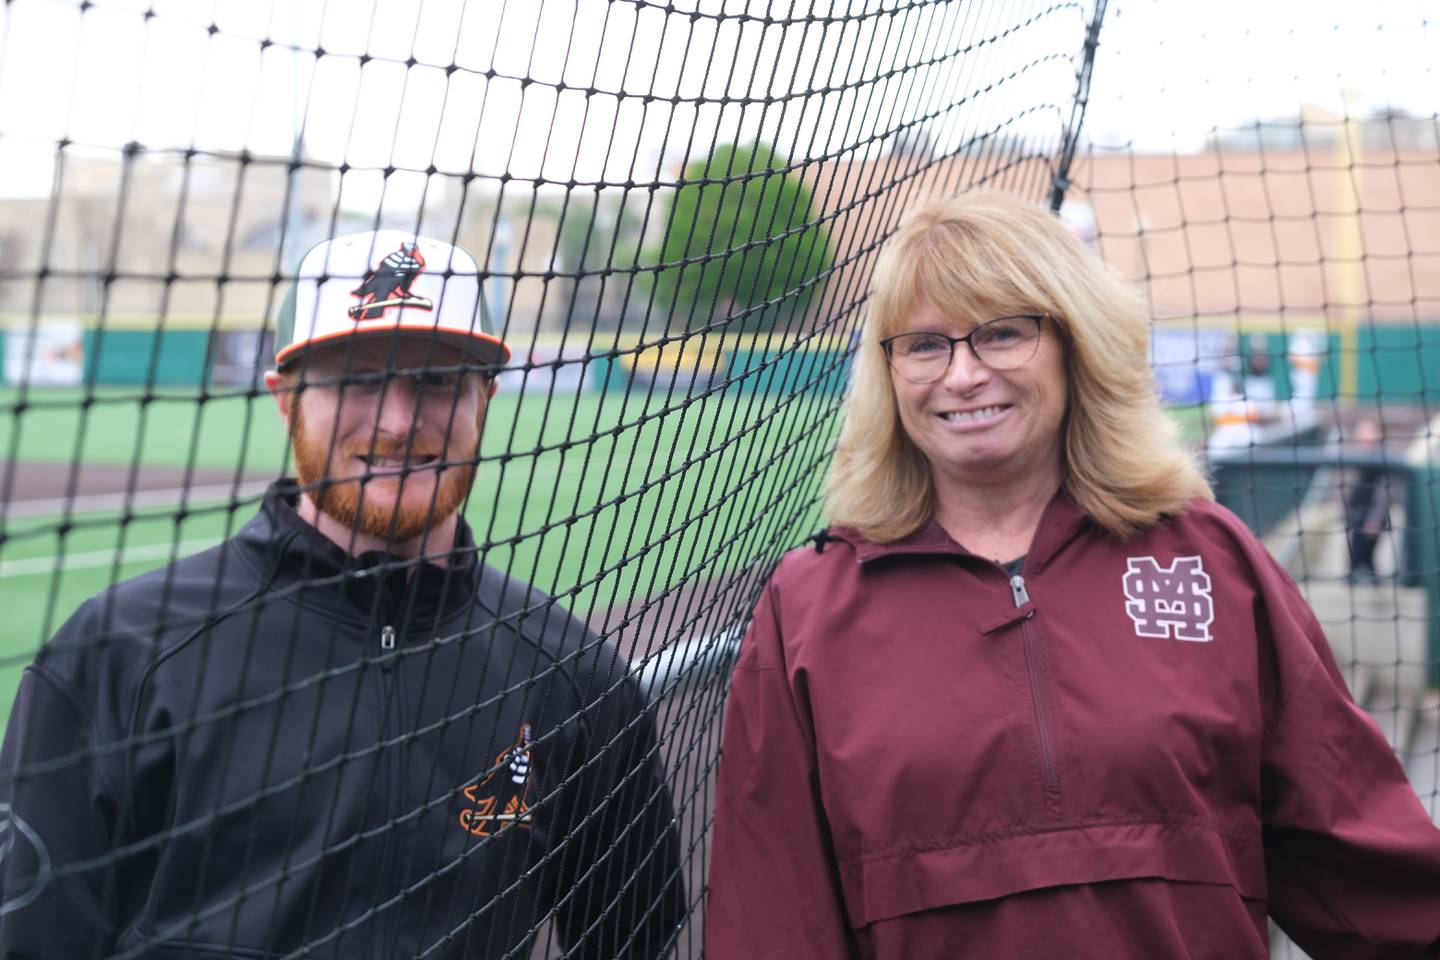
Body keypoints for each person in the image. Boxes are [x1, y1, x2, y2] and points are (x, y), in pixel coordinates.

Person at [706, 192, 1440, 958]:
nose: (962, 375)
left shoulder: (1210, 559)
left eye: (1001, 334)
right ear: (888, 372)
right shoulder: (809, 605)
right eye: (923, 345)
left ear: (1074, 343)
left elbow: (1359, 855)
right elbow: (773, 918)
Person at [0, 230, 685, 958]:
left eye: (436, 380)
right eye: (357, 378)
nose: (396, 423)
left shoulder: (569, 678)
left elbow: (635, 937)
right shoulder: (120, 655)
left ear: (484, 398)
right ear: (285, 400)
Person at [1344, 418, 1392, 580]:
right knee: (1361, 557)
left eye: (1367, 431)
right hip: (1359, 515)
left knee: (1362, 556)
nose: (1362, 435)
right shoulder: (1365, 456)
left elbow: (1382, 492)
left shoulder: (1380, 457)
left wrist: (1374, 519)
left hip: (1369, 517)